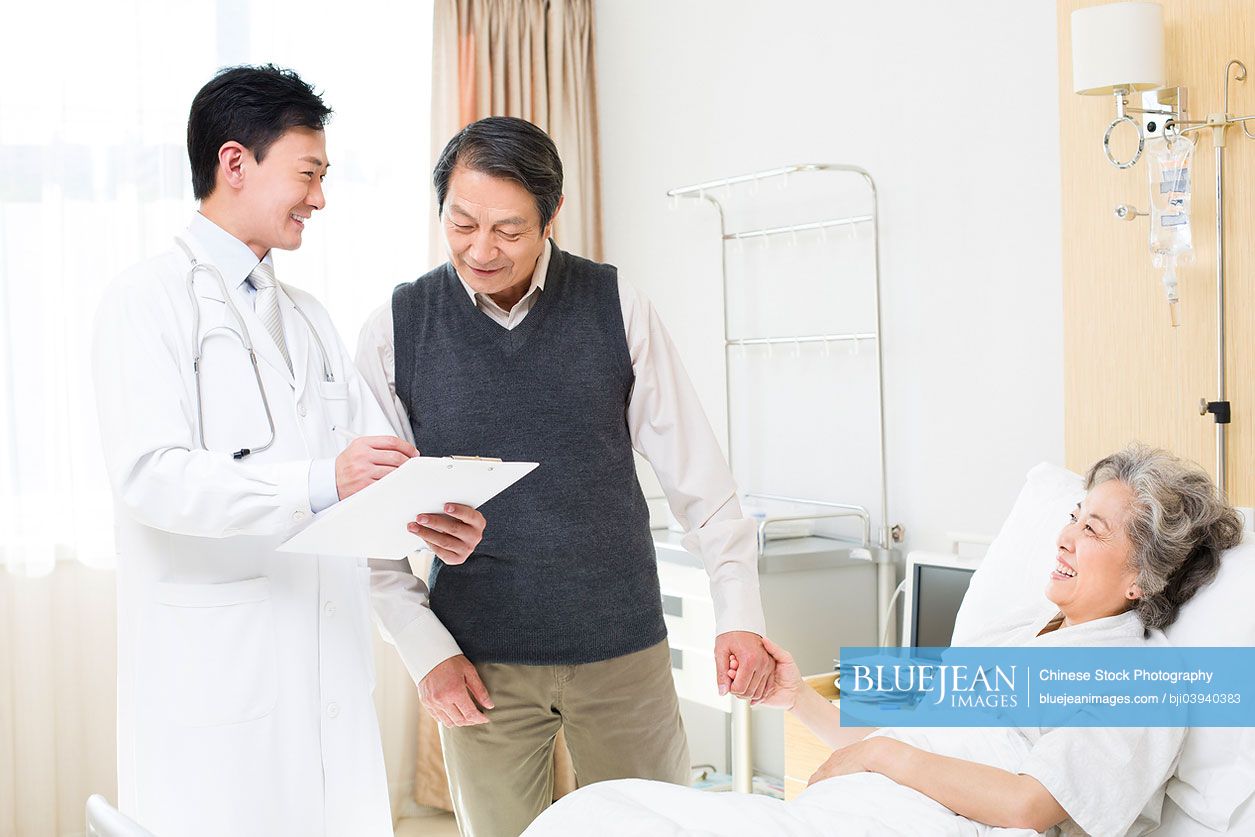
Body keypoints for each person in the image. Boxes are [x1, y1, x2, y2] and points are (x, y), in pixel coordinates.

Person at [91, 65, 486, 837]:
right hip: (218, 679)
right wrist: (318, 480)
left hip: (325, 673)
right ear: (235, 163)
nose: (320, 197)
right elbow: (152, 477)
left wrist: (427, 519)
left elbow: (360, 478)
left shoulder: (307, 317)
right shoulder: (147, 300)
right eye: (308, 173)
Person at [355, 115, 774, 836]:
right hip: (477, 663)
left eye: (509, 230)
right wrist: (426, 654)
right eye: (461, 222)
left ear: (551, 218)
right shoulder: (396, 326)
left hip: (621, 651)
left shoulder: (616, 304)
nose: (480, 249)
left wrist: (738, 613)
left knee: (652, 828)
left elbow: (700, 479)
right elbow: (372, 528)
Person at [524, 444, 1241, 837]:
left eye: (1092, 529)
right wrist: (794, 696)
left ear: (1141, 578)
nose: (1062, 536)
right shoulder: (1031, 642)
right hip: (858, 810)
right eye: (1072, 515)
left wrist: (886, 755)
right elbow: (910, 736)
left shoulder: (1140, 678)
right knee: (591, 812)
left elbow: (1029, 804)